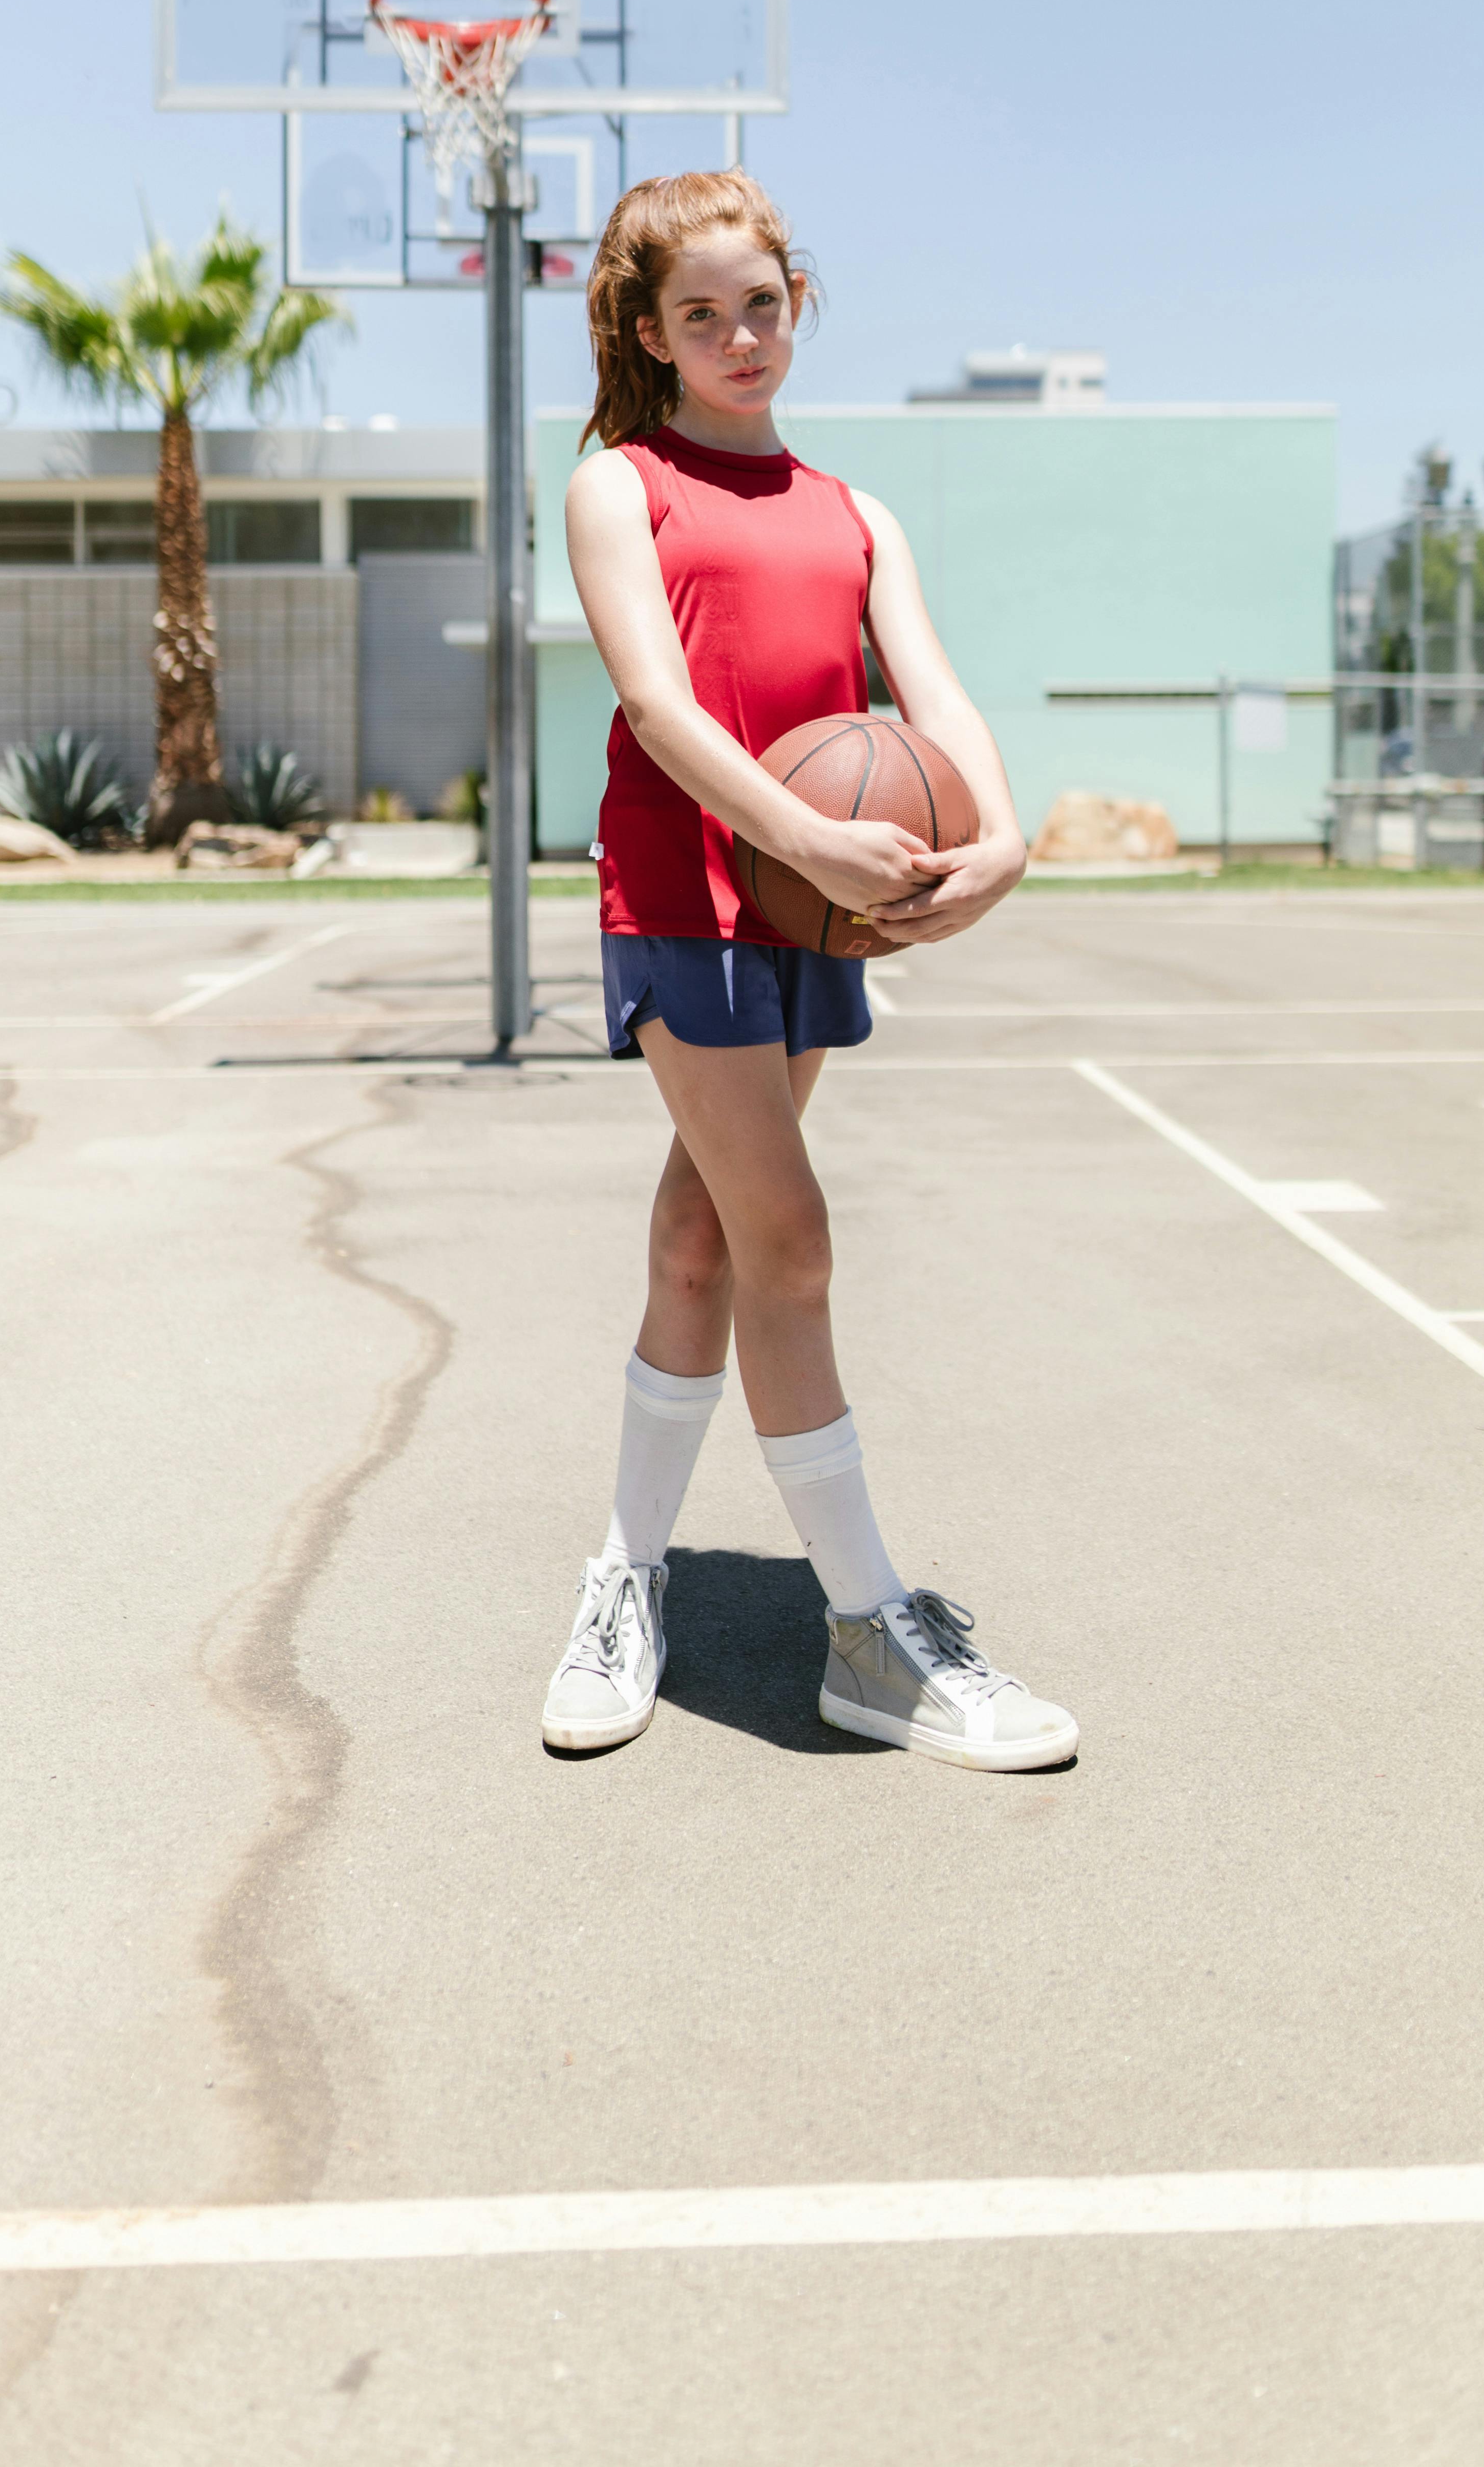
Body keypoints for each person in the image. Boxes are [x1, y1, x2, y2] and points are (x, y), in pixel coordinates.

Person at [543, 169, 1077, 1773]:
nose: (737, 334)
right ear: (651, 332)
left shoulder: (858, 513)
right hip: (685, 886)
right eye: (698, 314)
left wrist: (1002, 839)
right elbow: (661, 711)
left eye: (761, 302)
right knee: (790, 1237)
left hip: (806, 900)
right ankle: (867, 1633)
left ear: (798, 301)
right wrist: (816, 839)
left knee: (706, 1231)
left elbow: (935, 694)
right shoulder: (618, 487)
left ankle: (625, 1576)